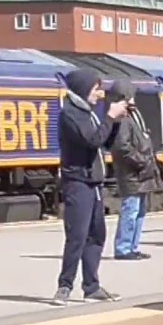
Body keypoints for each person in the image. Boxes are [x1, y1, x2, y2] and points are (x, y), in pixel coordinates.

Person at [54, 69, 127, 305]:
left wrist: (115, 121)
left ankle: (91, 286)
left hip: (93, 182)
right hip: (78, 182)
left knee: (96, 235)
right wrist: (109, 116)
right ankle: (64, 286)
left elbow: (103, 142)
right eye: (96, 88)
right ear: (84, 89)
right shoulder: (71, 115)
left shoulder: (88, 113)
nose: (99, 93)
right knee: (77, 235)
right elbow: (91, 140)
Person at [109, 80, 163, 261]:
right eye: (132, 93)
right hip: (132, 173)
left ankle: (132, 246)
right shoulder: (123, 120)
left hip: (140, 173)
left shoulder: (132, 115)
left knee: (140, 211)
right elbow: (122, 147)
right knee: (131, 210)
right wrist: (141, 160)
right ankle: (123, 248)